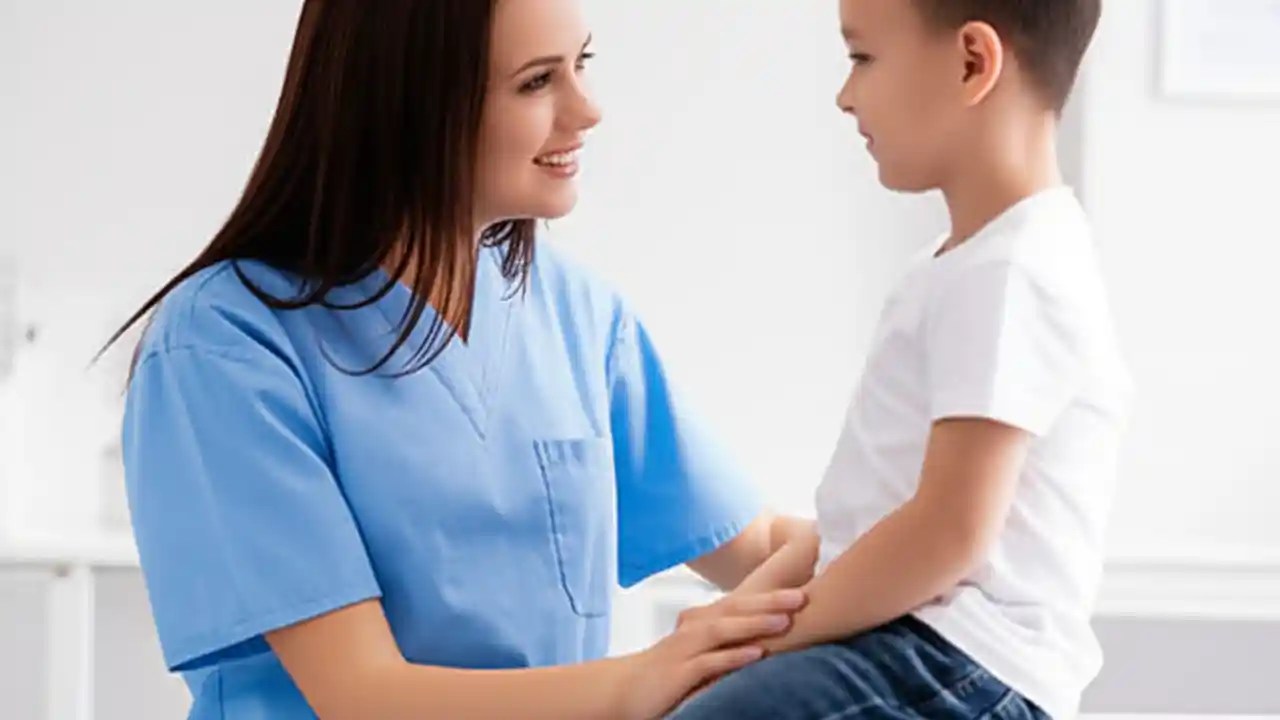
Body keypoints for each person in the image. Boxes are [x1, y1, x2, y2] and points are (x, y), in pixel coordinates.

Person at [101, 1, 817, 718]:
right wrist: (647, 678)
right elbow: (362, 694)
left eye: (581, 65)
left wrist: (911, 529)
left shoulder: (579, 317)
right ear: (411, 103)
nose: (588, 110)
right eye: (537, 82)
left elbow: (753, 546)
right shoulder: (225, 343)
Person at [668, 1, 1133, 718]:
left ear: (973, 62)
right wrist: (725, 630)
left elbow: (948, 531)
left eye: (862, 58)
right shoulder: (955, 270)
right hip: (909, 645)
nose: (845, 95)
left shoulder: (1015, 273)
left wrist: (762, 641)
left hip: (962, 665)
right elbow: (852, 529)